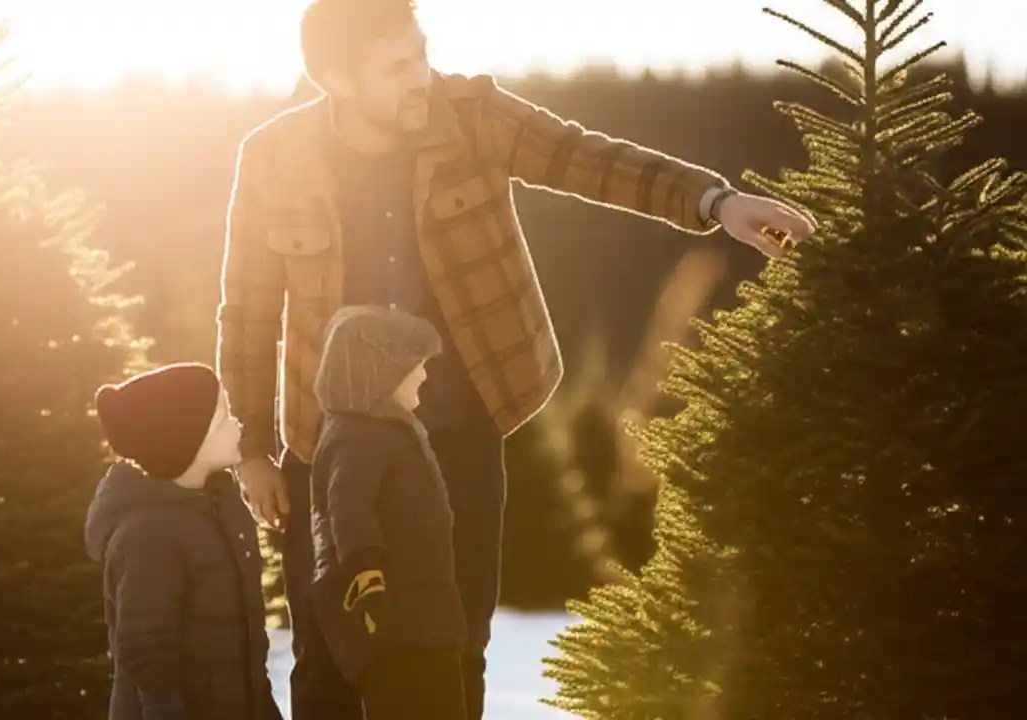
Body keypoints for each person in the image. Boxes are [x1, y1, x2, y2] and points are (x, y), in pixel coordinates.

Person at [215, 1, 818, 717]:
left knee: (456, 651)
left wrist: (716, 202)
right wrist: (253, 446)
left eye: (422, 53)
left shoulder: (471, 115)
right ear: (337, 82)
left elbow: (591, 160)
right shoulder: (273, 157)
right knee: (328, 664)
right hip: (328, 447)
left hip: (457, 432)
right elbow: (248, 309)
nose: (422, 77)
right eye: (398, 67)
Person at [85, 363, 282, 720]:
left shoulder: (221, 510)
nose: (236, 425)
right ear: (185, 442)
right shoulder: (148, 533)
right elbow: (145, 645)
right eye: (223, 420)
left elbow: (243, 641)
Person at [309, 305, 467, 719]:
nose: (425, 375)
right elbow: (349, 510)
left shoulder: (388, 429)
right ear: (378, 371)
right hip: (394, 624)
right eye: (416, 365)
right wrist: (367, 581)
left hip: (425, 616)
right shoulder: (358, 437)